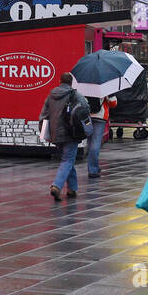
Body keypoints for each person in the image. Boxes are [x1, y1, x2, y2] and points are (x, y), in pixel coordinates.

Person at [39, 73, 89, 201]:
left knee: (68, 160)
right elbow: (85, 108)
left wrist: (44, 130)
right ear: (71, 83)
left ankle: (72, 189)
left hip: (55, 133)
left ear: (59, 81)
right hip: (71, 133)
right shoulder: (74, 95)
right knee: (67, 160)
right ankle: (56, 186)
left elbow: (43, 114)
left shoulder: (51, 95)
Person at [83, 85, 116, 179]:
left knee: (90, 143)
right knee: (96, 143)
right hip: (100, 117)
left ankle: (95, 167)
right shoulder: (105, 85)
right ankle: (92, 170)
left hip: (87, 116)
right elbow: (113, 103)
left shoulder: (84, 86)